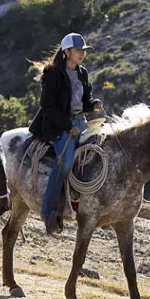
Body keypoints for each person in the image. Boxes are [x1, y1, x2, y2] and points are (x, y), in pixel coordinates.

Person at [28, 33, 103, 235]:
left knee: (100, 156)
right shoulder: (53, 73)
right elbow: (47, 107)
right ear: (67, 52)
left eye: (83, 51)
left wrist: (93, 104)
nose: (82, 54)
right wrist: (68, 126)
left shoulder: (83, 73)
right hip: (59, 125)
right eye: (78, 51)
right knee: (65, 164)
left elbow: (85, 100)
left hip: (81, 122)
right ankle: (48, 212)